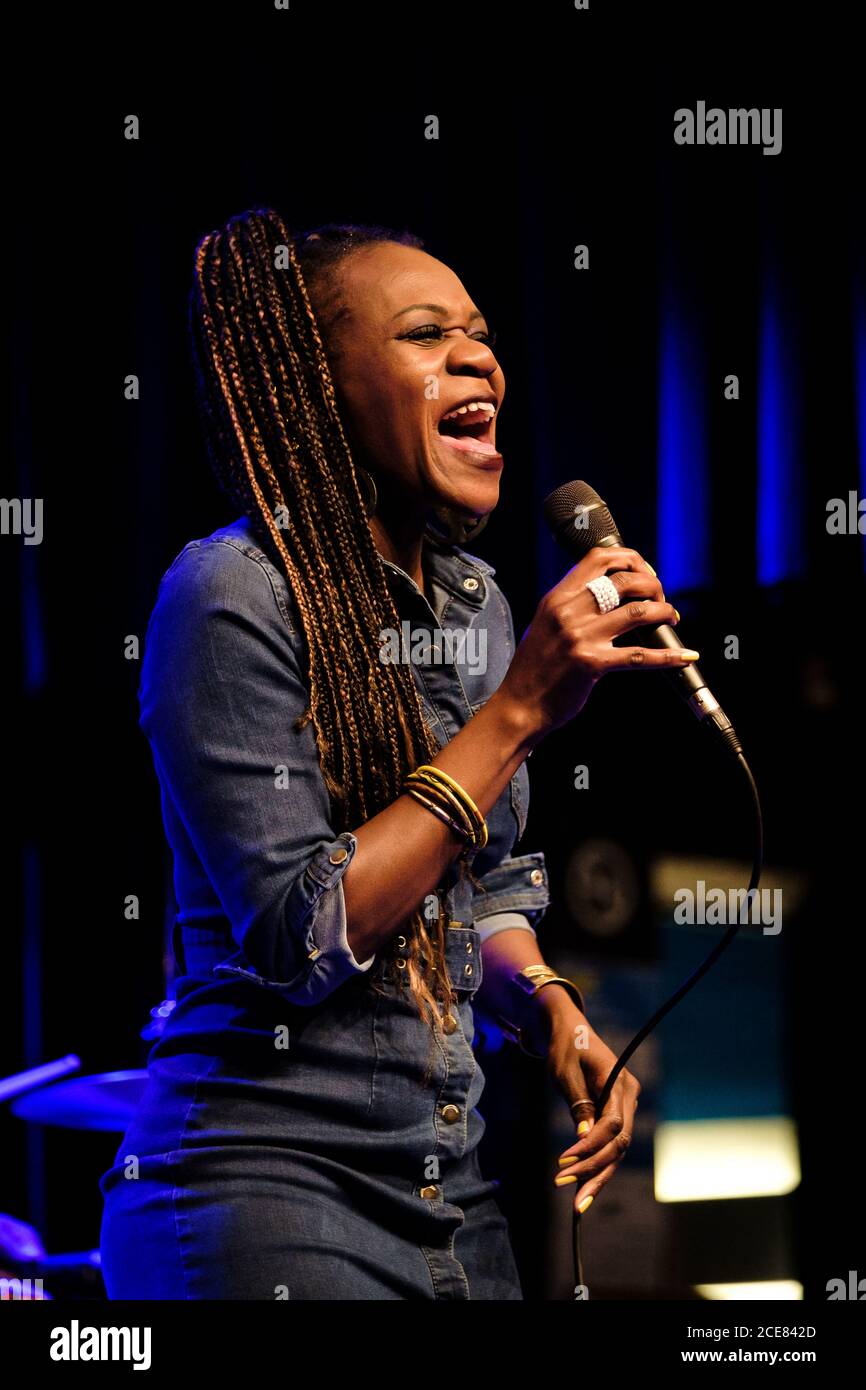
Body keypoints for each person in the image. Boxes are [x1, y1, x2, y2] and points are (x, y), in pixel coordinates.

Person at [98, 209, 697, 1300]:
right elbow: (301, 931)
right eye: (425, 335)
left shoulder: (472, 607)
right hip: (267, 1186)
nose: (480, 357)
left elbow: (480, 895)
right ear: (319, 397)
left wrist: (548, 1003)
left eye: (480, 333)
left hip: (452, 1203)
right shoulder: (230, 592)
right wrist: (516, 710)